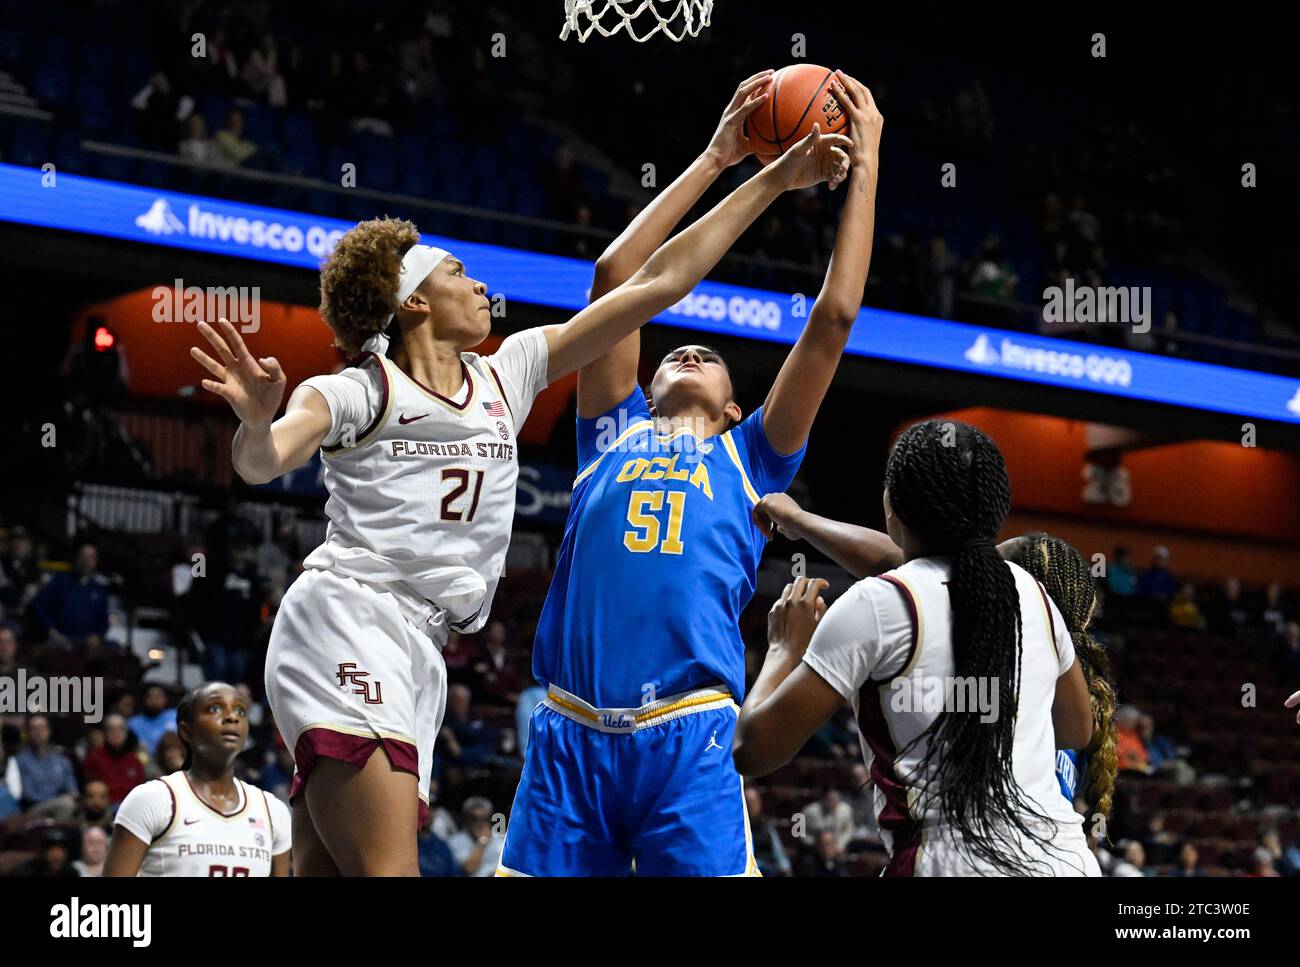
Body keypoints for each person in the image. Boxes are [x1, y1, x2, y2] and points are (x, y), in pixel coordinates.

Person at [191, 99, 847, 876]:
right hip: (348, 617)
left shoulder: (509, 369)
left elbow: (656, 280)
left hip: (421, 645)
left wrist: (736, 165)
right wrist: (259, 426)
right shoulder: (359, 390)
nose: (479, 284)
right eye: (457, 272)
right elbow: (262, 462)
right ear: (415, 302)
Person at [497, 70, 870, 877]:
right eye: (674, 351)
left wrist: (863, 170)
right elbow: (614, 279)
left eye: (707, 357)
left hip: (690, 730)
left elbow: (833, 319)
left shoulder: (752, 456)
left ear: (737, 408)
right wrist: (717, 158)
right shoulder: (610, 430)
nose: (688, 351)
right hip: (568, 732)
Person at [733, 421, 1099, 876]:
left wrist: (784, 648)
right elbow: (1076, 731)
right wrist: (800, 522)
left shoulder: (876, 605)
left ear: (891, 505)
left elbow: (753, 750)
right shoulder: (1031, 593)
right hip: (1068, 861)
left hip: (947, 864)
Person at [104, 683, 290, 876]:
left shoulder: (273, 811)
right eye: (215, 708)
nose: (232, 717)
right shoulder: (153, 799)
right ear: (186, 730)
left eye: (240, 710)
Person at [14, 714, 79, 821]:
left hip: (62, 806)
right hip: (33, 809)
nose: (38, 733)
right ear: (28, 733)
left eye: (42, 728)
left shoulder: (62, 760)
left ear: (49, 731)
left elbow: (72, 790)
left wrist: (68, 796)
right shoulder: (20, 761)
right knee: (66, 805)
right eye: (34, 729)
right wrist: (57, 799)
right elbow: (28, 795)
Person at [81, 714, 145, 805]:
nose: (116, 733)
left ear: (126, 733)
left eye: (121, 729)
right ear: (104, 733)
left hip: (131, 807)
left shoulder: (134, 759)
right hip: (105, 809)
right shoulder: (94, 758)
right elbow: (91, 791)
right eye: (111, 729)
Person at [128, 684, 178, 757]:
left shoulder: (175, 715)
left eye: (158, 697)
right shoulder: (133, 723)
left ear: (165, 699)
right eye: (150, 697)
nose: (154, 701)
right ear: (144, 700)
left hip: (174, 759)